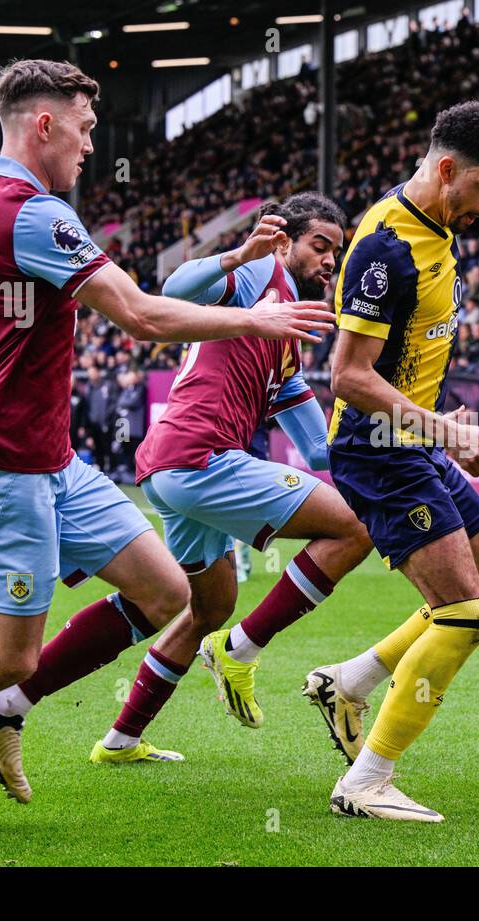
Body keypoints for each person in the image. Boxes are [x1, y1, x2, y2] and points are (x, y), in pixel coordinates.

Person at [0, 58, 335, 839]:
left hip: (54, 459)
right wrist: (252, 320)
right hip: (3, 463)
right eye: (86, 130)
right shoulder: (36, 213)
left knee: (169, 595)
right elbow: (143, 316)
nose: (92, 146)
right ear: (44, 125)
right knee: (4, 659)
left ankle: (5, 714)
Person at [86, 193, 375, 762]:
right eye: (320, 245)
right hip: (201, 457)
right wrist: (238, 254)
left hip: (175, 470)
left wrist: (409, 433)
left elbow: (320, 448)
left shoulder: (288, 330)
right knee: (355, 528)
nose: (328, 262)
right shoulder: (256, 275)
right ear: (285, 238)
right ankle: (241, 650)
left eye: (335, 253)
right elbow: (171, 291)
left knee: (209, 609)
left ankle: (120, 740)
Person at [307, 102, 479, 822]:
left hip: (414, 447)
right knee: (463, 615)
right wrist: (443, 430)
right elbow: (347, 375)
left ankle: (351, 680)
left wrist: (440, 433)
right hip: (377, 453)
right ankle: (366, 781)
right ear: (445, 170)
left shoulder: (438, 229)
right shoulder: (385, 247)